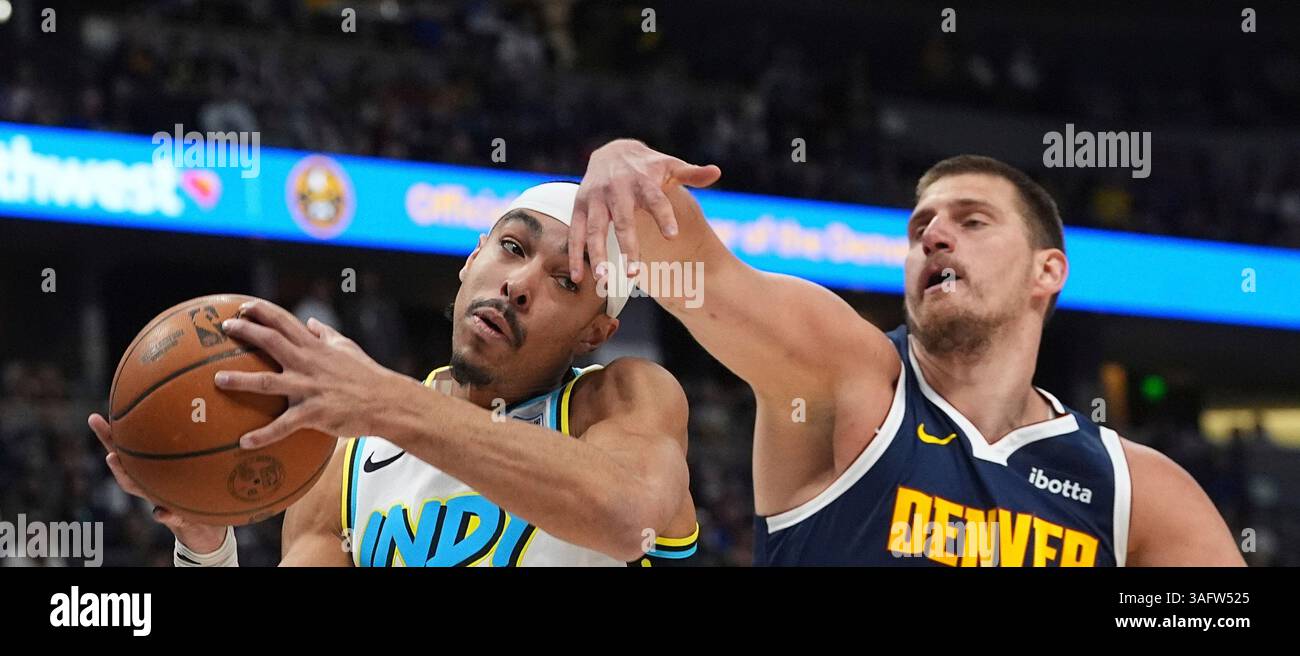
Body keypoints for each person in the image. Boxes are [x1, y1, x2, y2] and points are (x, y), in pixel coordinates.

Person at [566, 141, 1244, 566]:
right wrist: (626, 166)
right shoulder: (847, 376)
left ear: (1048, 271)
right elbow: (706, 277)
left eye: (972, 221)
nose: (935, 237)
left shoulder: (1131, 486)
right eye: (921, 229)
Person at [90, 181, 699, 567]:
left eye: (566, 281)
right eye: (513, 248)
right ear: (472, 259)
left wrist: (386, 401)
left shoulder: (620, 398)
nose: (518, 285)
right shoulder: (350, 457)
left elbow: (629, 518)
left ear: (594, 332)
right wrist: (205, 546)